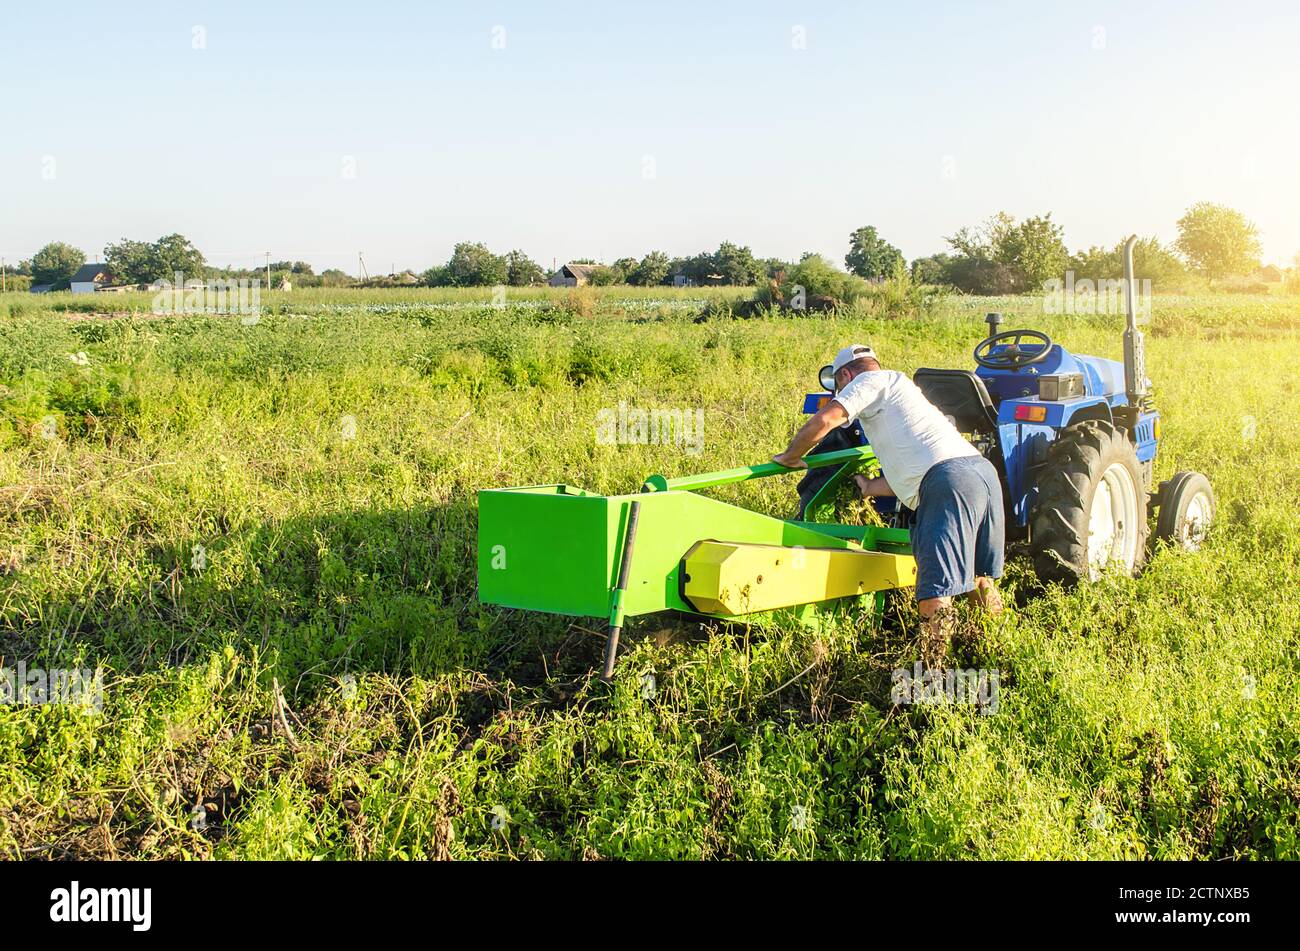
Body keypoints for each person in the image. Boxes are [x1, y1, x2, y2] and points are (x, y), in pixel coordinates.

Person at [772, 344, 1005, 662]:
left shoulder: (869, 382)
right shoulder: (902, 389)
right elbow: (909, 473)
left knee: (936, 590)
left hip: (948, 482)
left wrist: (790, 456)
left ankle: (933, 673)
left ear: (845, 375)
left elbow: (825, 420)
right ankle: (994, 650)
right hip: (980, 474)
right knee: (979, 578)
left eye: (841, 386)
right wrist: (868, 487)